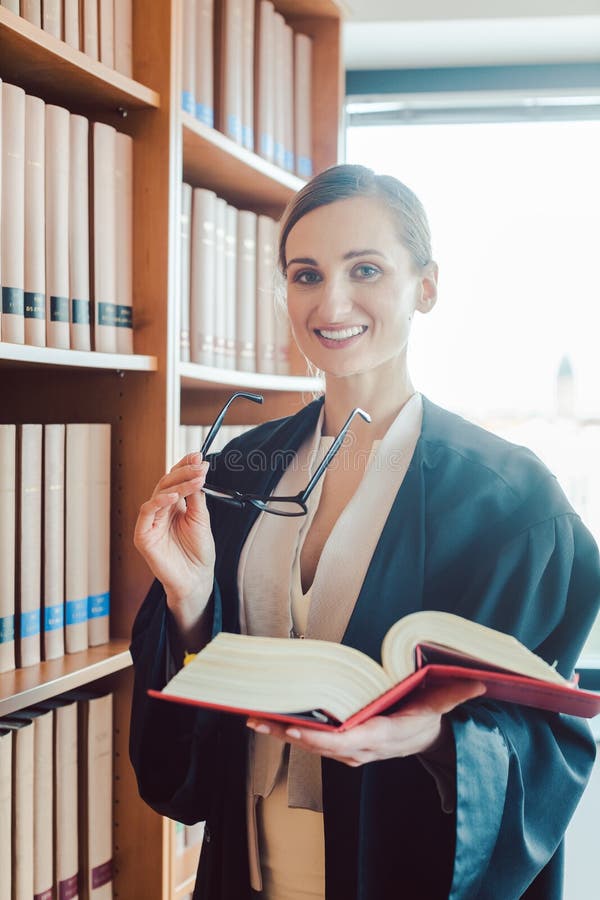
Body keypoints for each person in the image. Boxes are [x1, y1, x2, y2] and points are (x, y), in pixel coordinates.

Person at [129, 164, 600, 900]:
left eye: (366, 269)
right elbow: (182, 755)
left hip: (396, 869)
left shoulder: (512, 504)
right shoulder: (238, 472)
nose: (332, 302)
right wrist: (188, 599)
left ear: (427, 287)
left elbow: (548, 740)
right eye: (306, 274)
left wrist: (438, 740)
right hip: (242, 870)